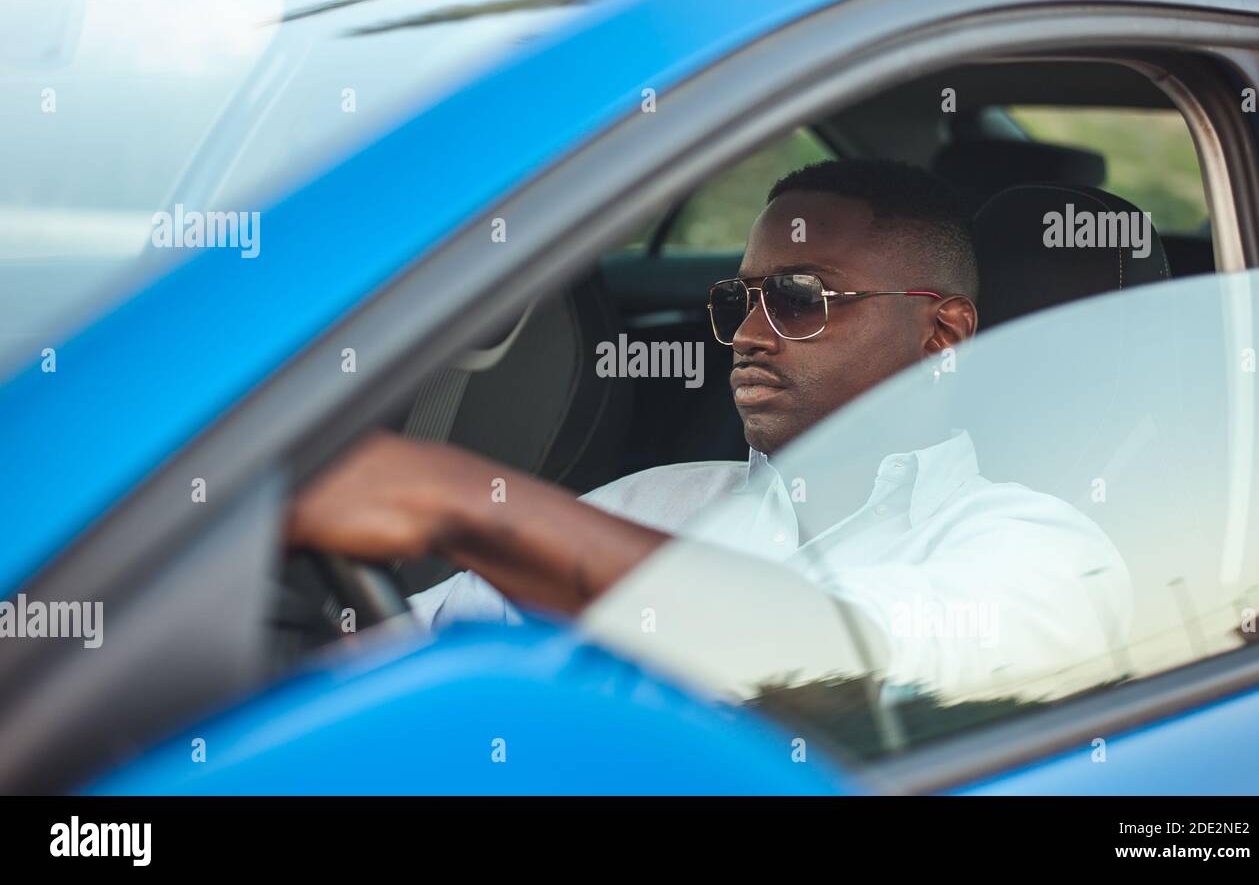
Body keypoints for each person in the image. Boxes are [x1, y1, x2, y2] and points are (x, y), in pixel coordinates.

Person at [287, 159, 1130, 695]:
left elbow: (838, 658)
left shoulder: (1043, 552)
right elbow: (400, 638)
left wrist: (464, 502)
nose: (751, 335)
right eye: (739, 301)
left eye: (801, 300)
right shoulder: (652, 503)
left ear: (941, 335)